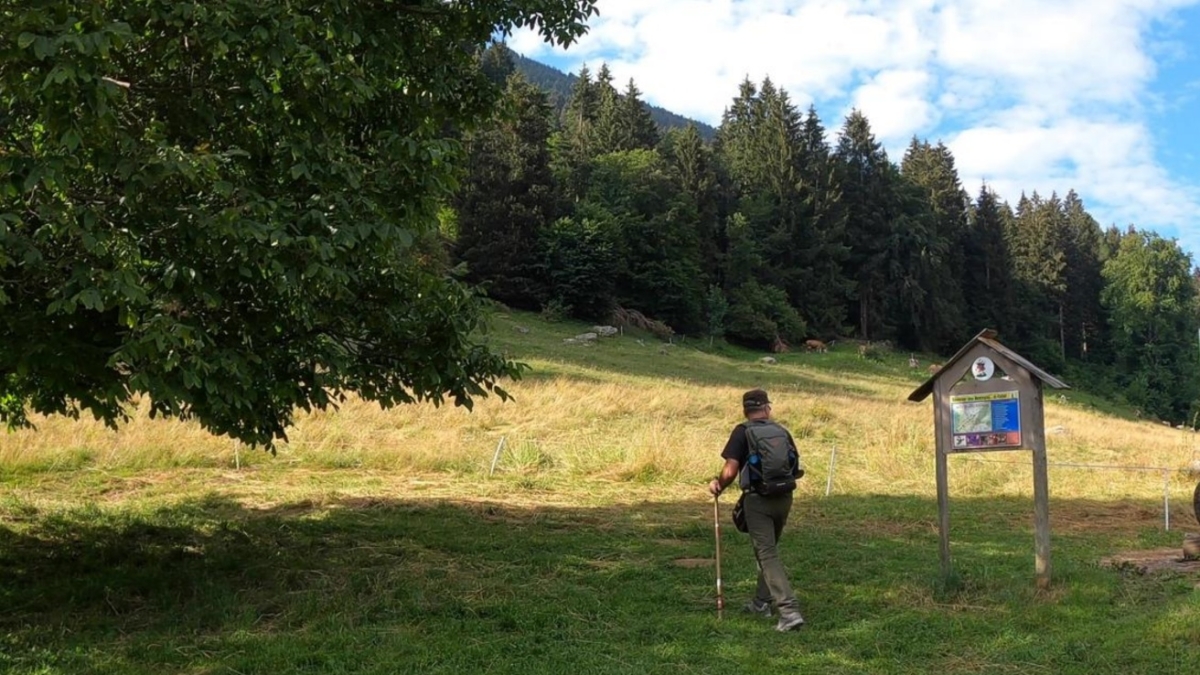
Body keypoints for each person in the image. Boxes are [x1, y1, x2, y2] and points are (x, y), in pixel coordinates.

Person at [708, 388, 806, 632]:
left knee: (766, 554)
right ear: (766, 408)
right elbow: (794, 467)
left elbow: (730, 469)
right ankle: (761, 603)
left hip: (758, 500)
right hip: (784, 497)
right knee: (768, 550)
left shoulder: (742, 432)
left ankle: (789, 611)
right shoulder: (781, 431)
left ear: (745, 410)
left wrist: (719, 485)